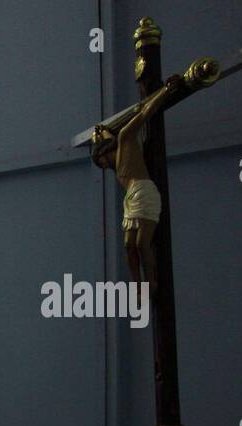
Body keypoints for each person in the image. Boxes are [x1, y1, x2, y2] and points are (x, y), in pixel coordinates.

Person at [91, 73, 185, 296]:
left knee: (143, 244)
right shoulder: (117, 165)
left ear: (105, 153)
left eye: (101, 162)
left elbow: (144, 112)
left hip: (143, 192)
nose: (103, 167)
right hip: (131, 198)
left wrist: (166, 91)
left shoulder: (125, 139)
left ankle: (150, 282)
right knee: (128, 245)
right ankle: (137, 285)